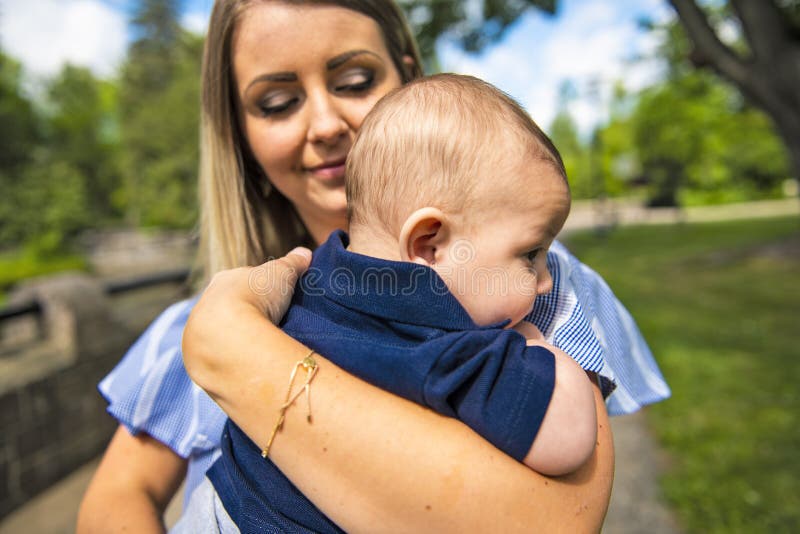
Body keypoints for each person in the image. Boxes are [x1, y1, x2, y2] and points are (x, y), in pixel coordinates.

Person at [77, 1, 669, 532]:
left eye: (356, 81)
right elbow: (115, 499)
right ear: (243, 139)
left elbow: (553, 522)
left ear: (412, 80)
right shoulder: (186, 323)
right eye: (278, 102)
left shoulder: (534, 287)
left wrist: (231, 348)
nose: (327, 124)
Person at [174, 73, 600, 532]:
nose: (544, 282)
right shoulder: (450, 350)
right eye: (531, 255)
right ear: (429, 244)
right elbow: (568, 440)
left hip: (214, 507)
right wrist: (539, 348)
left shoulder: (306, 283)